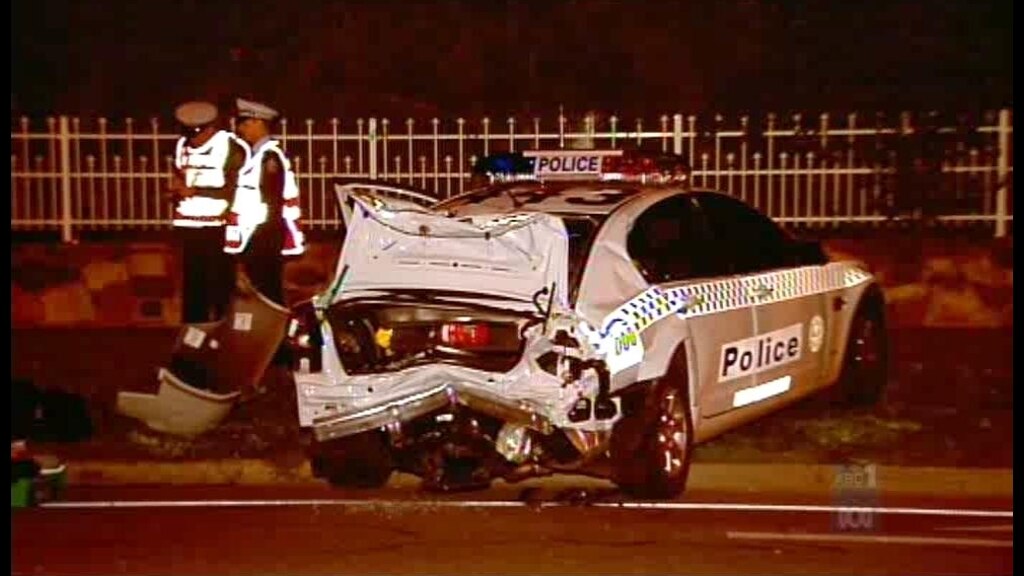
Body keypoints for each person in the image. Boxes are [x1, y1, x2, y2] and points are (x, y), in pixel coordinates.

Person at [170, 100, 251, 323]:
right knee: (194, 287)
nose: (192, 139)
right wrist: (176, 190)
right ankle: (193, 333)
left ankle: (222, 330)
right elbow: (180, 174)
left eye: (195, 132)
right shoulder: (183, 145)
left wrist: (197, 191)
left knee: (220, 285)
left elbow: (236, 187)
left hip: (218, 226)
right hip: (190, 226)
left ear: (210, 127)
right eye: (187, 132)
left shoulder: (230, 148)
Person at [223, 97, 306, 306]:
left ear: (259, 123)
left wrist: (258, 238)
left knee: (267, 290)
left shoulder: (269, 157)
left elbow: (272, 200)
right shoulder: (256, 156)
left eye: (245, 123)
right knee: (262, 290)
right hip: (256, 233)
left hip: (265, 234)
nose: (240, 129)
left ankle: (275, 335)